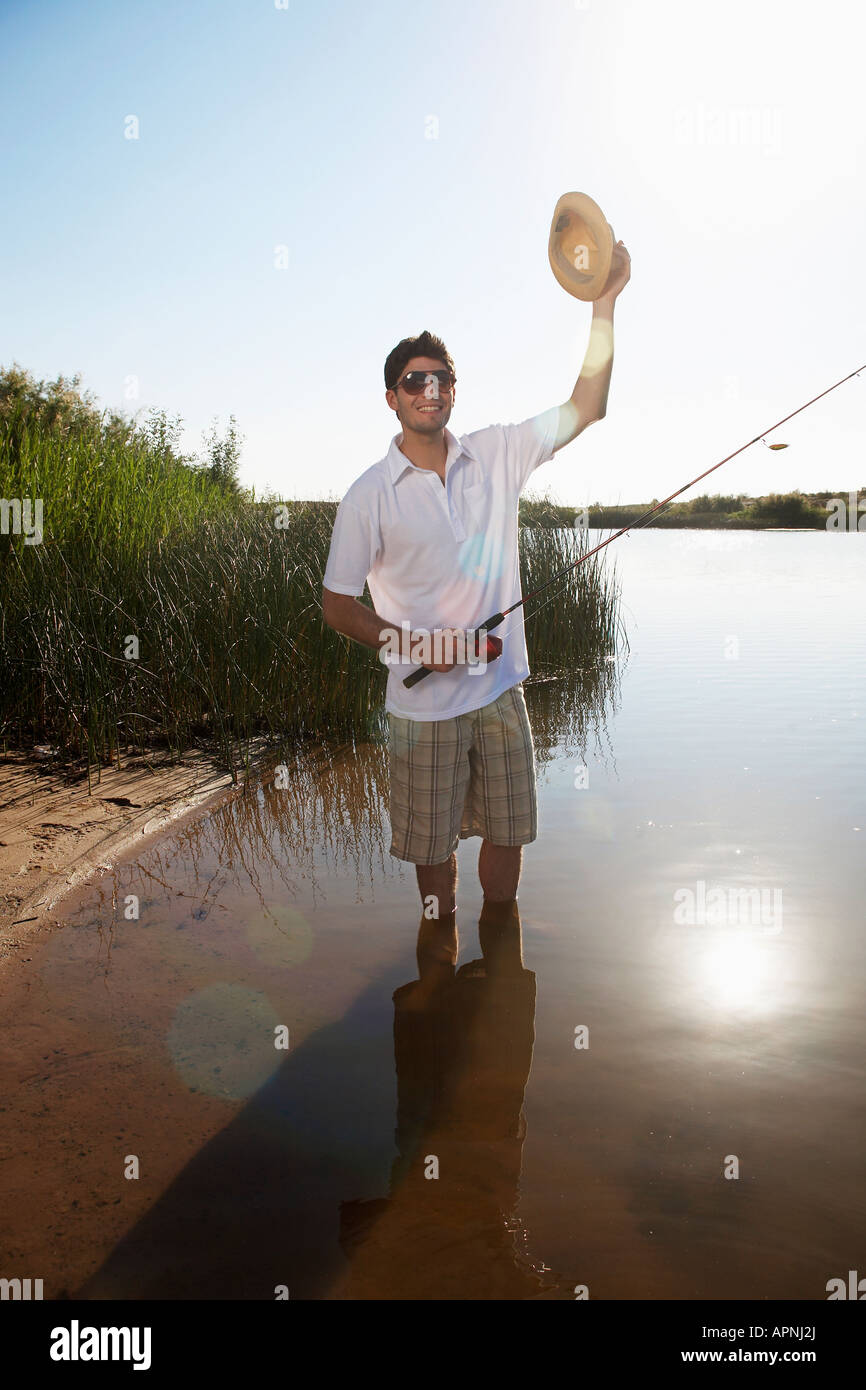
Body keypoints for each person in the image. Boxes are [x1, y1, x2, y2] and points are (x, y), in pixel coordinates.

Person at [322, 240, 630, 957]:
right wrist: (416, 645)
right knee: (435, 861)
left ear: (453, 389)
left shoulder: (496, 453)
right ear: (393, 397)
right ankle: (438, 964)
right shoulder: (368, 495)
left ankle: (500, 957)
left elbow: (588, 406)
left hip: (500, 692)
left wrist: (604, 303)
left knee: (509, 836)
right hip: (422, 705)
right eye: (413, 381)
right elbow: (338, 604)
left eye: (441, 378)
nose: (429, 391)